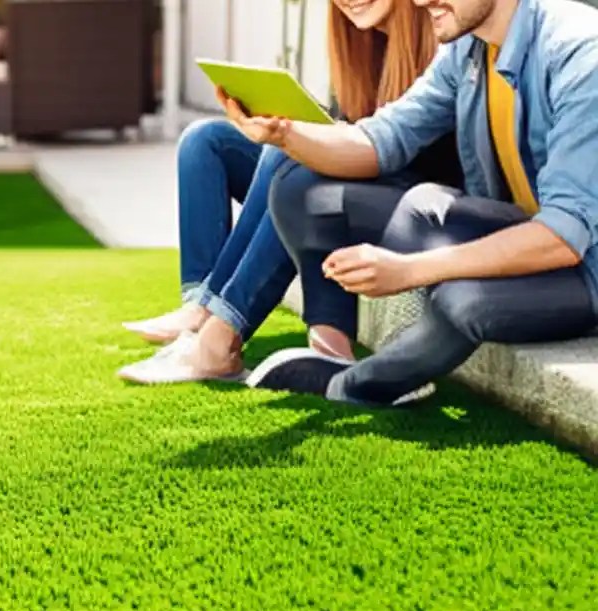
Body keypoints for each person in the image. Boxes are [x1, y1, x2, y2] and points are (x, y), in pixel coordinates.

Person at [241, 0, 598, 407]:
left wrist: (410, 270)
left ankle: (354, 385)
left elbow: (564, 236)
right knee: (305, 190)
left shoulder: (581, 51)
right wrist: (284, 134)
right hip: (518, 228)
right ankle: (334, 349)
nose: (419, 2)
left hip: (584, 265)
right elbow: (383, 139)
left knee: (462, 301)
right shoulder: (468, 48)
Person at [119, 0, 461, 385]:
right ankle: (201, 303)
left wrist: (302, 139)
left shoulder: (443, 44)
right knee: (207, 141)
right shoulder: (359, 47)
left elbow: (397, 156)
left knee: (289, 156)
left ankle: (217, 331)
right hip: (341, 188)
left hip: (405, 206)